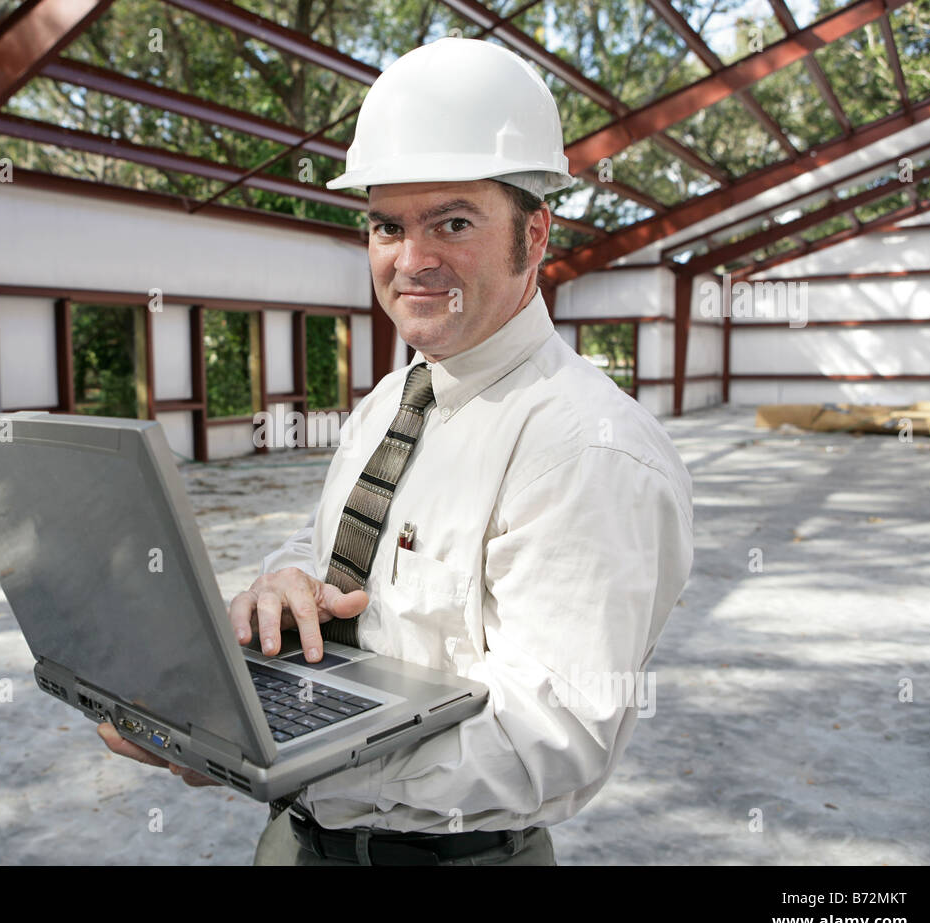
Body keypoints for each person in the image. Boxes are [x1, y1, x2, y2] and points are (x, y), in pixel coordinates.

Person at [99, 36, 694, 866]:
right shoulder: (392, 401)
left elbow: (548, 740)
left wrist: (275, 750)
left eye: (453, 222)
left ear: (534, 235)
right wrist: (284, 587)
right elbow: (330, 551)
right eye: (387, 226)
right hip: (297, 841)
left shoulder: (587, 451)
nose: (413, 261)